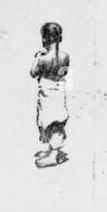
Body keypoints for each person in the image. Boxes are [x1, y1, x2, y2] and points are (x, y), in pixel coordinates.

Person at [31, 23, 69, 167]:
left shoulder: (43, 58)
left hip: (46, 91)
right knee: (57, 119)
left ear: (44, 39)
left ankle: (53, 154)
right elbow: (64, 73)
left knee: (48, 120)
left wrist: (37, 57)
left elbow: (33, 73)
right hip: (59, 88)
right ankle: (52, 151)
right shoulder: (65, 56)